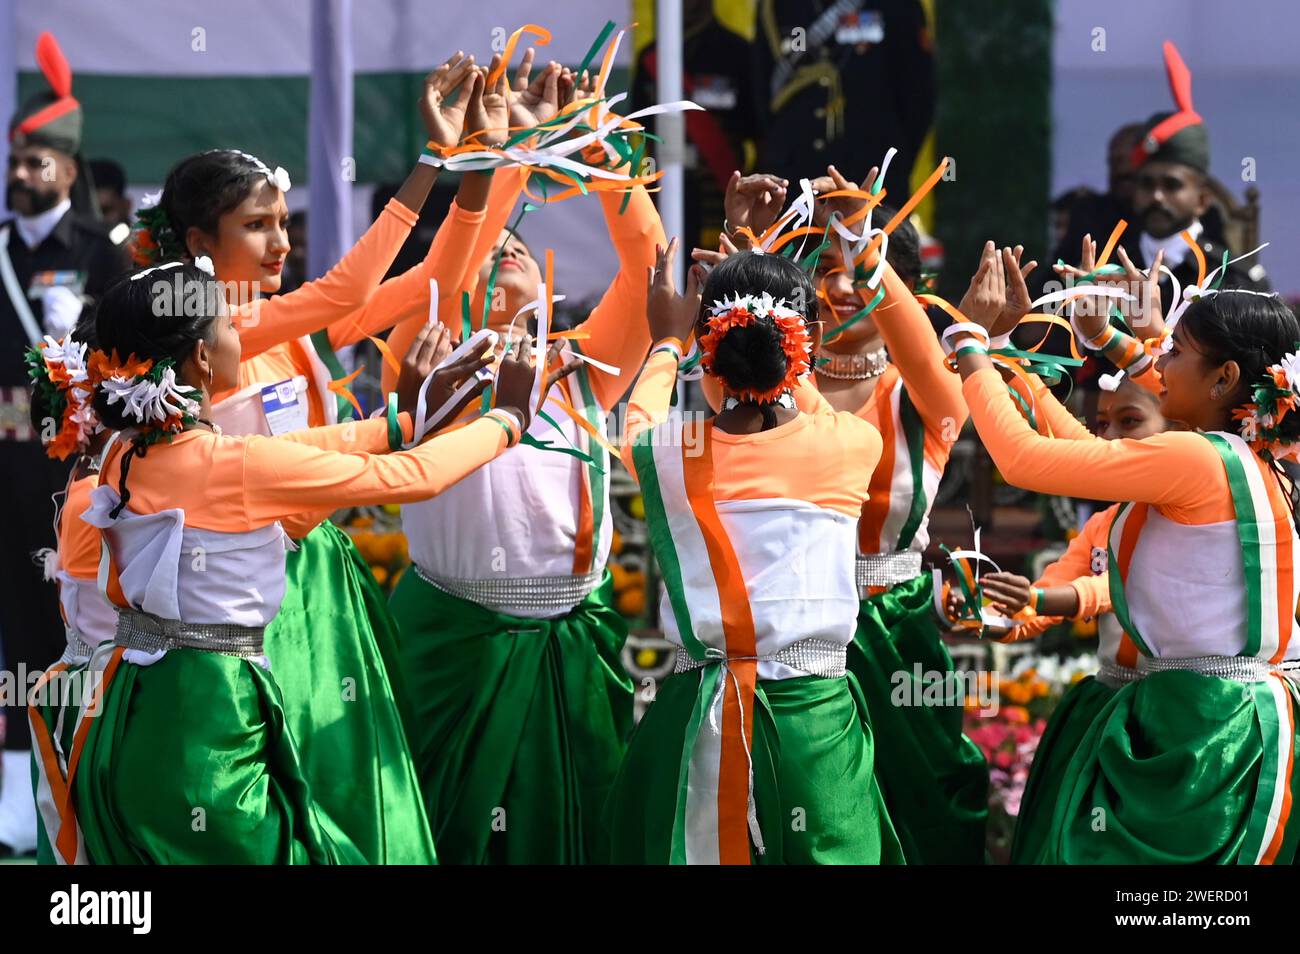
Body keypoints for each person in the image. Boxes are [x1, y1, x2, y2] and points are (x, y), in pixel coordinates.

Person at [69, 261, 560, 863]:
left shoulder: (128, 449)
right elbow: (409, 478)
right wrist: (506, 418)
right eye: (228, 324)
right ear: (201, 357)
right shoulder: (232, 465)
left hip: (135, 705)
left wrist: (410, 418)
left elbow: (300, 451)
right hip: (207, 717)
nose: (239, 336)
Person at [379, 64, 664, 865]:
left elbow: (651, 275)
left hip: (573, 643)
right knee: (444, 837)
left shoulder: (581, 368)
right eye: (492, 246)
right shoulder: (427, 355)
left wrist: (598, 145)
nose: (507, 249)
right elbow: (450, 261)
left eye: (520, 244)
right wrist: (500, 156)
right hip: (455, 642)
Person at [948, 246, 1300, 863]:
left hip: (1204, 722)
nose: (1160, 357)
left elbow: (1023, 460)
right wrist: (1092, 340)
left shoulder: (1196, 457)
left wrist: (970, 342)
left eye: (1178, 351)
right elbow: (1090, 443)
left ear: (1224, 381)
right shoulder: (1257, 453)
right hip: (1227, 716)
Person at [606, 244, 903, 864]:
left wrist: (665, 344)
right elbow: (801, 406)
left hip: (691, 720)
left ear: (704, 345)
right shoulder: (855, 443)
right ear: (810, 341)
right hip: (814, 725)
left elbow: (636, 423)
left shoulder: (664, 452)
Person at [0, 32, 130, 853]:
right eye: (16, 159)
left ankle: (90, 786)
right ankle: (16, 797)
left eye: (36, 161)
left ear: (70, 171)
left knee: (73, 623)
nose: (20, 174)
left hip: (70, 472)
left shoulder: (105, 258)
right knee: (11, 628)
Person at [972, 370, 1170, 864]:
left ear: (1179, 429)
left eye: (1130, 421)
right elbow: (1045, 594)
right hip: (1105, 705)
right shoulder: (1104, 521)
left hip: (1173, 717)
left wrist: (1044, 602)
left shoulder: (1191, 518)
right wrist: (988, 614)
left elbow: (1127, 590)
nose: (1108, 440)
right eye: (1103, 424)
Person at [1117, 41, 1269, 294]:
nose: (1156, 196)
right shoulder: (1107, 269)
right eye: (1147, 184)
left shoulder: (1234, 282)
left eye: (1172, 185)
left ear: (1202, 199)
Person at [754, 0, 934, 192]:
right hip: (795, 177)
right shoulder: (775, 6)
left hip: (871, 177)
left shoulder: (897, 5)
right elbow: (761, 91)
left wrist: (895, 163)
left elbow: (918, 95)